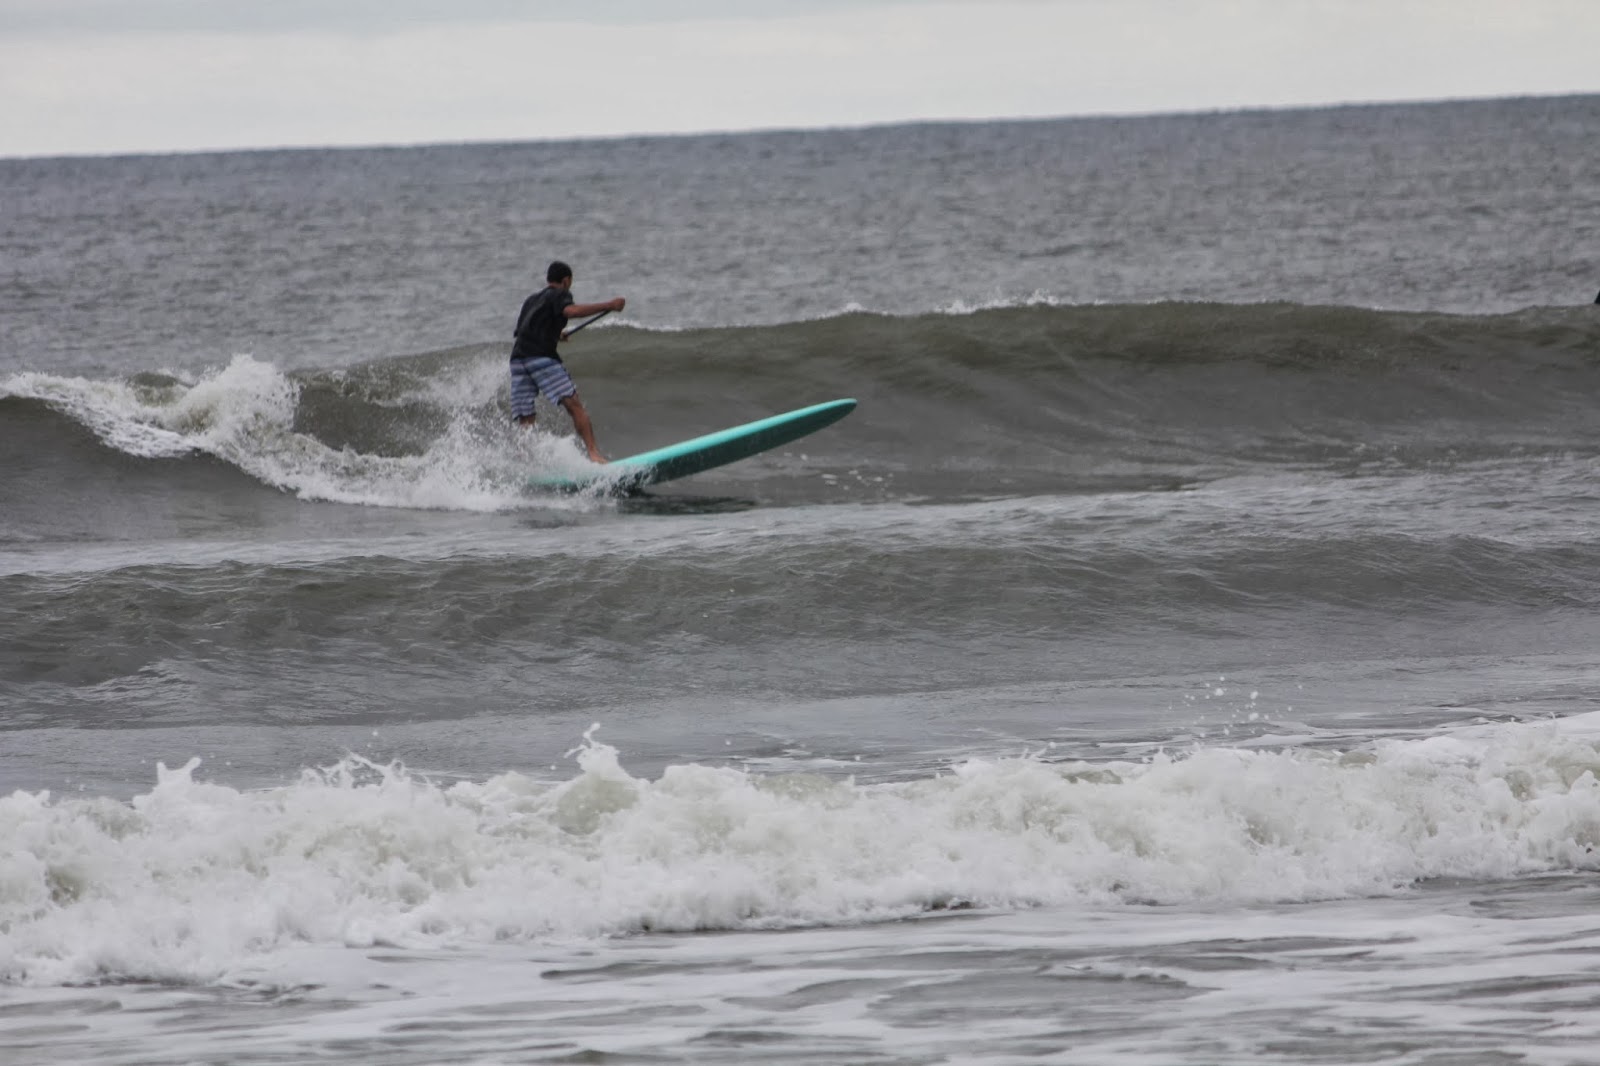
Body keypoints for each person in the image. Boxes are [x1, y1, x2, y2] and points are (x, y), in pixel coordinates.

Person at [510, 260, 625, 463]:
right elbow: (571, 311)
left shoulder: (531, 300)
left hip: (518, 360)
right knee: (574, 405)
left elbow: (524, 331)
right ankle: (594, 454)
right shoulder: (560, 293)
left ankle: (525, 463)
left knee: (526, 417)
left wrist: (556, 334)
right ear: (565, 281)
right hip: (540, 357)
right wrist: (609, 305)